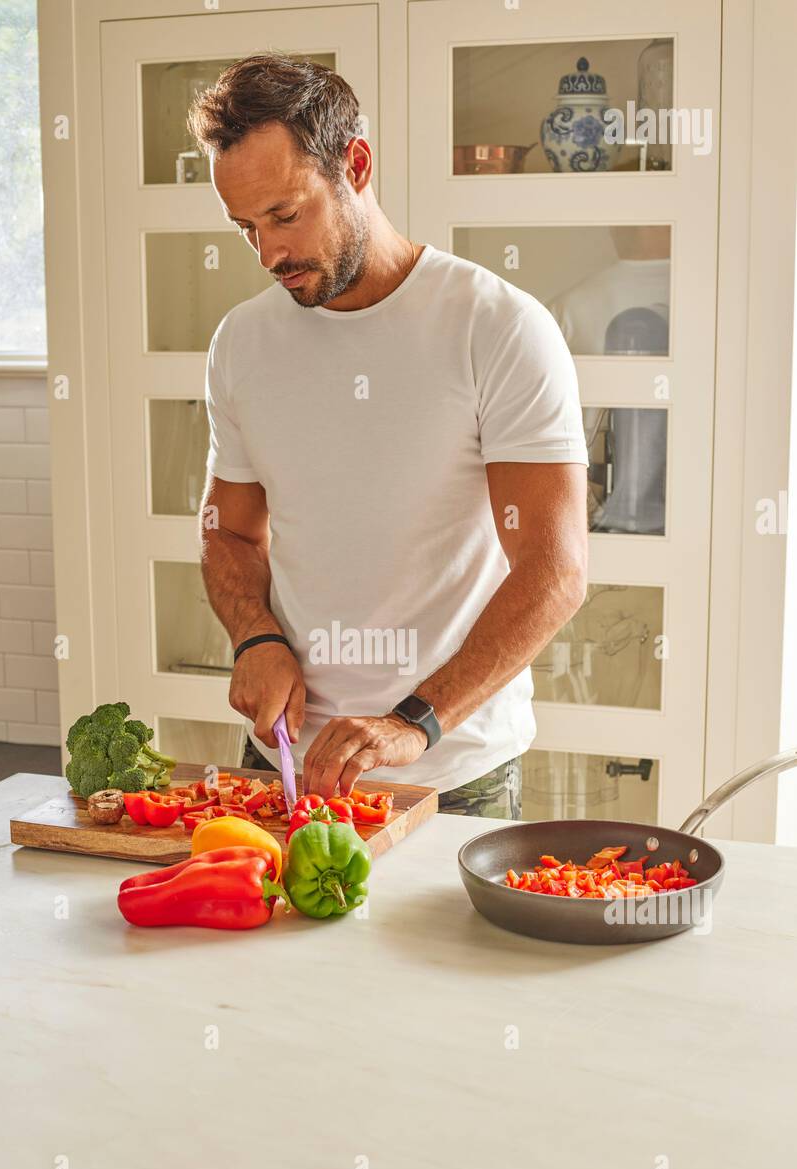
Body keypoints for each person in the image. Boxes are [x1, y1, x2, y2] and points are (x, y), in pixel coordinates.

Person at [189, 54, 588, 818]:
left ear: (356, 165)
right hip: (282, 756)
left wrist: (412, 722)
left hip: (446, 768)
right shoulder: (241, 343)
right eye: (245, 229)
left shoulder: (496, 328)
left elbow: (554, 570)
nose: (270, 255)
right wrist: (254, 638)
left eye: (285, 214)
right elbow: (231, 534)